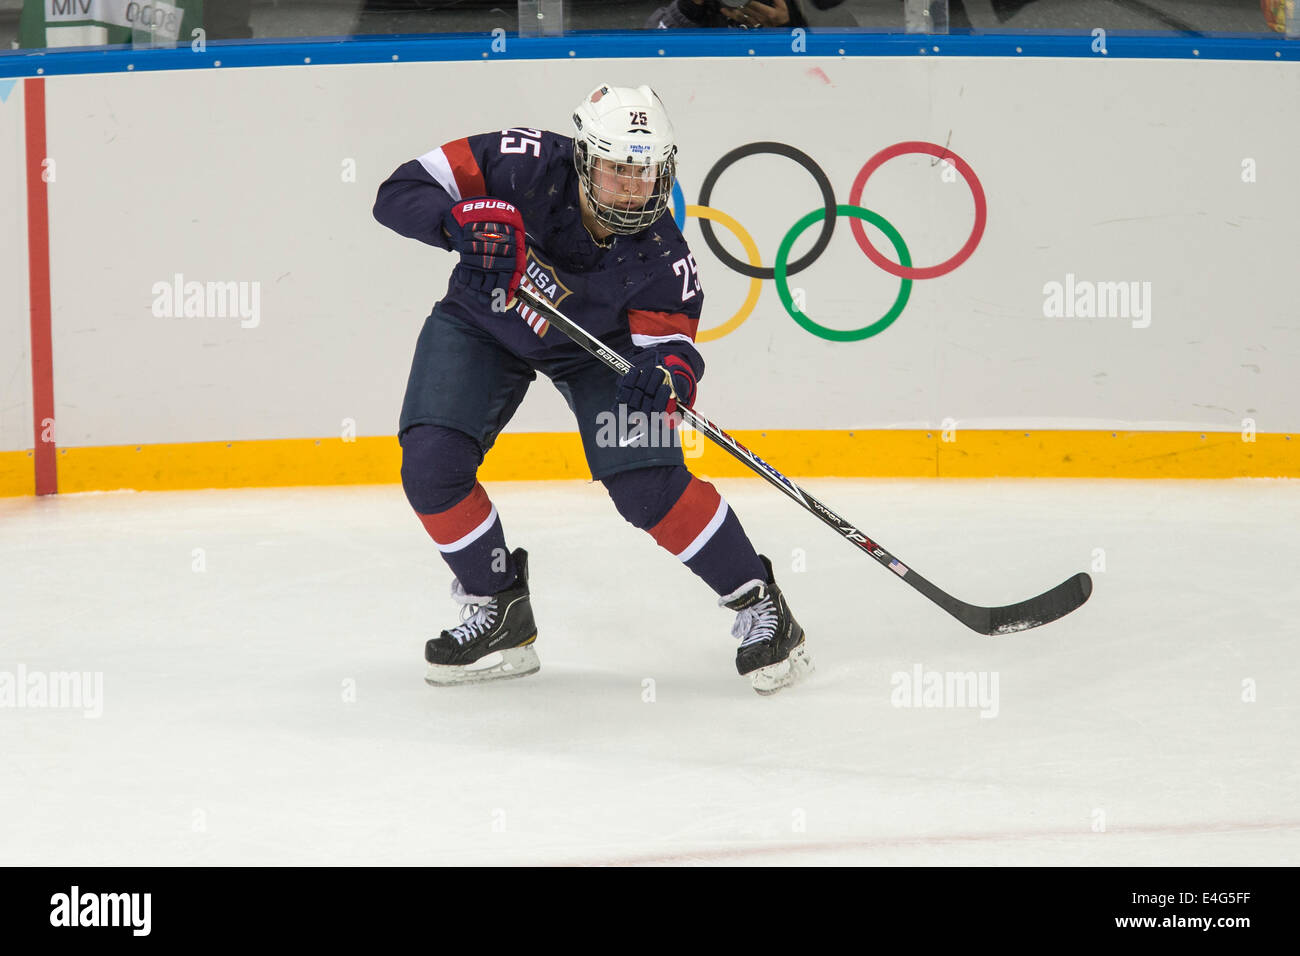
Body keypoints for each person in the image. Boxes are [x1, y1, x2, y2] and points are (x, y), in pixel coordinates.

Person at [372, 83, 813, 695]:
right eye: (619, 171)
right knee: (431, 465)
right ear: (583, 158)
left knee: (646, 486)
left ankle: (758, 602)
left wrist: (666, 378)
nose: (636, 188)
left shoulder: (662, 251)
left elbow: (676, 351)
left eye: (648, 173)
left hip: (596, 354)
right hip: (483, 317)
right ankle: (499, 609)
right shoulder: (517, 161)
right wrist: (454, 224)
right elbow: (397, 192)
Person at [646, 0, 853, 30]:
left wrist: (789, 27)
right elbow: (653, 51)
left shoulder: (811, 7)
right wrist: (687, 11)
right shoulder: (700, 9)